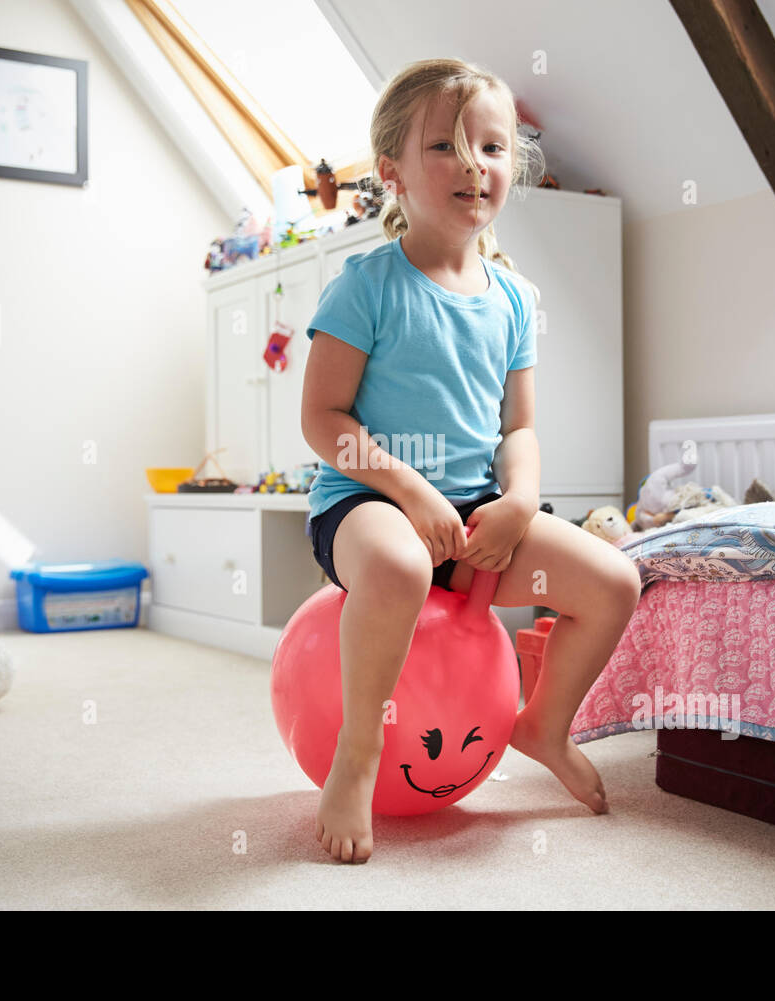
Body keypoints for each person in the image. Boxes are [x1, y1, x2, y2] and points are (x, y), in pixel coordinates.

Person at [300, 58, 641, 863]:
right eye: (446, 147)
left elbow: (518, 427)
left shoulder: (515, 299)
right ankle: (357, 751)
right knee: (397, 569)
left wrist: (521, 499)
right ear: (394, 175)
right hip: (366, 502)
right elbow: (323, 419)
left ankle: (541, 726)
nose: (474, 165)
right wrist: (410, 490)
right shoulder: (365, 286)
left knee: (615, 582)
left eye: (491, 148)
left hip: (476, 514)